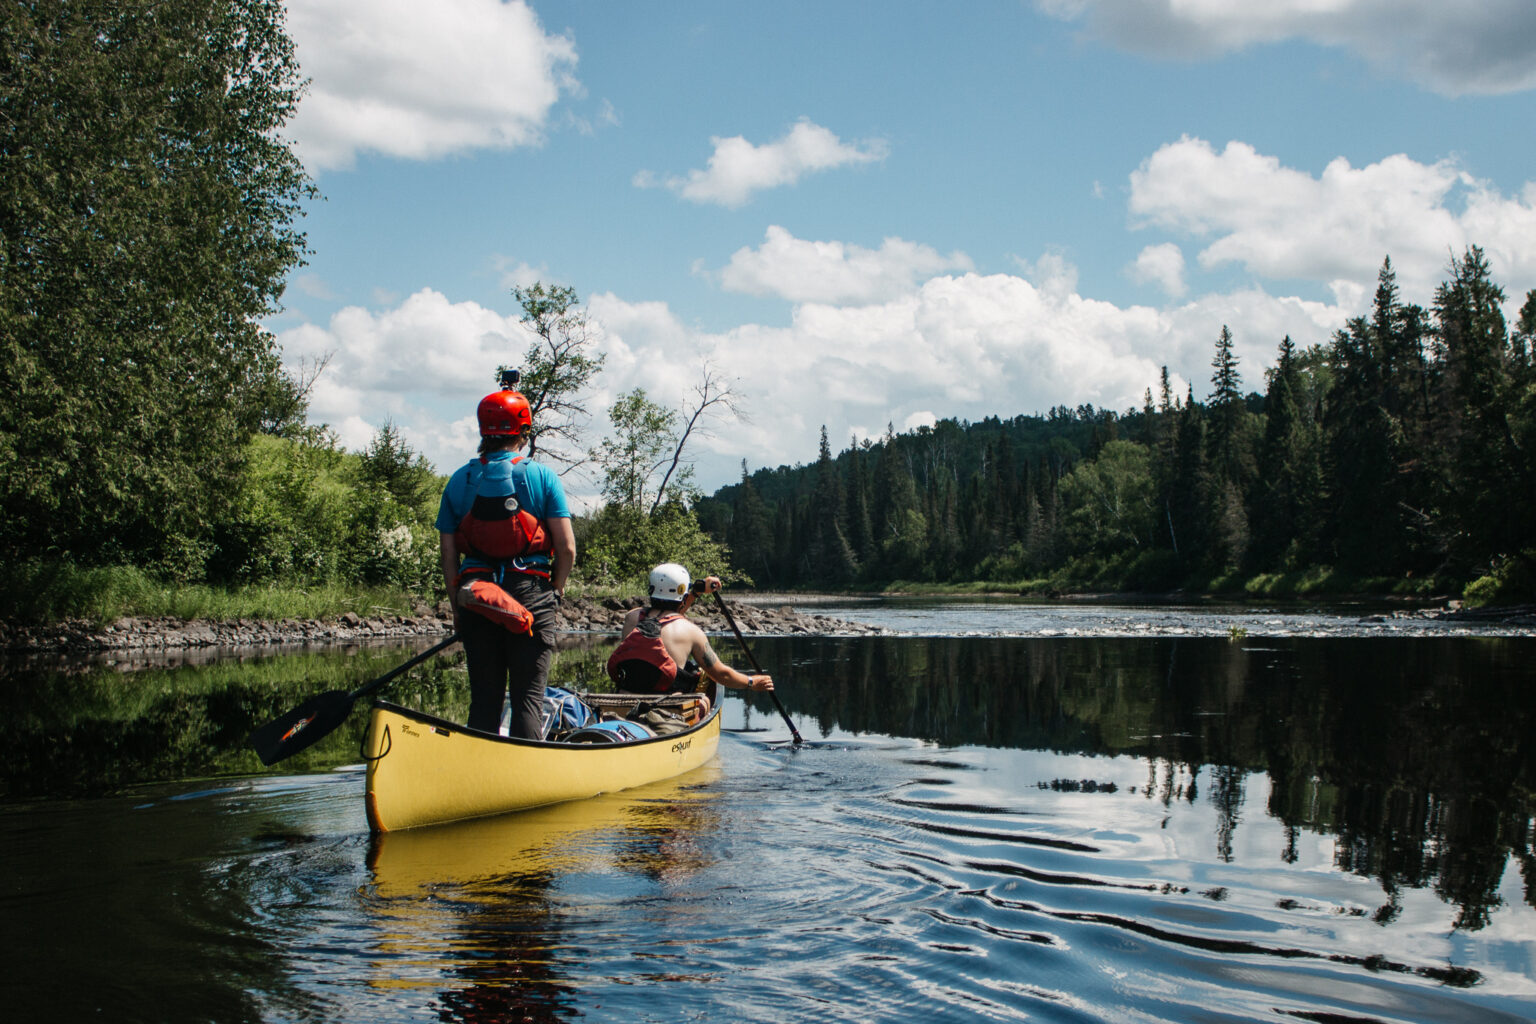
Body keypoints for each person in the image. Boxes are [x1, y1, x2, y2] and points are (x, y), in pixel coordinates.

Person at [437, 375, 576, 738]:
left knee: (484, 699)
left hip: (476, 595)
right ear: (524, 429)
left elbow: (448, 553)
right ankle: (524, 781)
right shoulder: (541, 476)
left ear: (484, 430)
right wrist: (556, 590)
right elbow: (566, 548)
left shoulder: (458, 480)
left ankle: (476, 778)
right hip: (531, 595)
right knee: (528, 698)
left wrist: (457, 605)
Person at [607, 562, 773, 696]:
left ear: (651, 589)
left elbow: (664, 618)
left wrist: (694, 593)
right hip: (665, 706)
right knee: (704, 695)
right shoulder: (691, 632)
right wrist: (752, 682)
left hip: (625, 697)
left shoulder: (632, 618)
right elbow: (721, 674)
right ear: (683, 596)